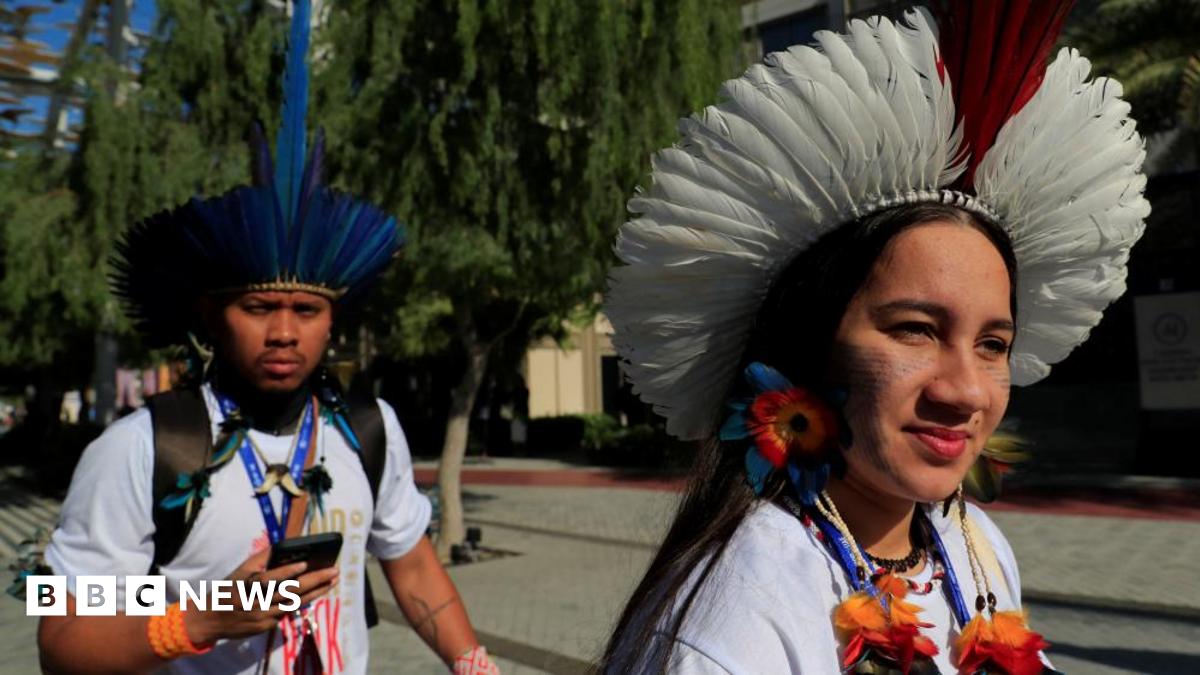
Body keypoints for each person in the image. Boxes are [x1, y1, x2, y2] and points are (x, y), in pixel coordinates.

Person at [602, 2, 1148, 673]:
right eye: (916, 329)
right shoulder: (737, 621)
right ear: (808, 344)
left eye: (993, 344)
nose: (966, 391)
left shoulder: (975, 547)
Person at [36, 2, 499, 673]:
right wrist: (201, 618)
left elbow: (414, 563)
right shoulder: (138, 450)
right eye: (258, 306)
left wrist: (472, 660)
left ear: (333, 320)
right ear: (210, 314)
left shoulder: (372, 431)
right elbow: (62, 638)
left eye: (305, 310)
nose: (284, 331)